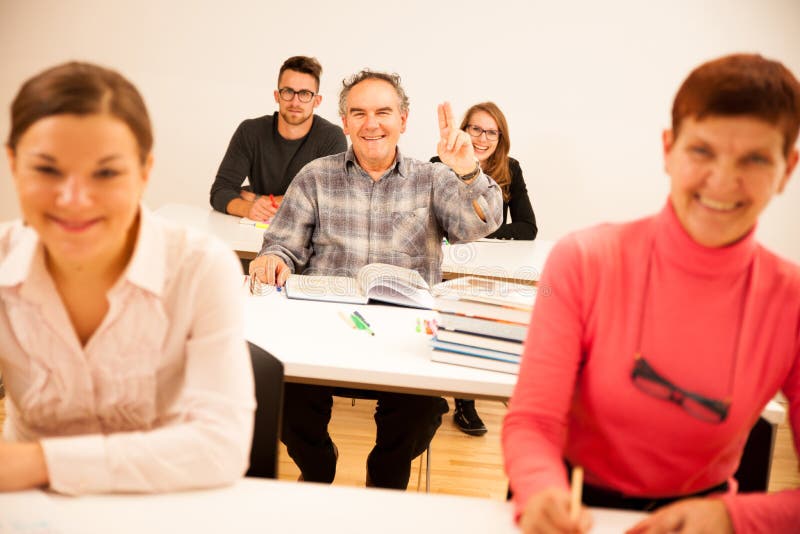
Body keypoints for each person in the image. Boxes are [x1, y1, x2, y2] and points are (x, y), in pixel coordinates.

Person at [502, 53, 800, 533]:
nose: (722, 181)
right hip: (571, 507)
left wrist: (735, 517)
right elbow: (533, 422)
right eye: (702, 151)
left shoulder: (791, 299)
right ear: (668, 149)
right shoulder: (584, 260)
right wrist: (541, 490)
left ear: (787, 169)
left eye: (755, 159)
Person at [0, 62, 256, 494]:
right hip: (30, 508)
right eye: (47, 170)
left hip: (161, 503)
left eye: (105, 173)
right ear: (13, 164)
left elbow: (220, 447)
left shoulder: (200, 268)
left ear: (144, 171)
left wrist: (40, 461)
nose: (74, 200)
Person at [249, 69, 503, 488]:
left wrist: (468, 171)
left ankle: (386, 474)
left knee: (421, 412)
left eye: (383, 112)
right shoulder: (315, 176)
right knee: (282, 396)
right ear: (344, 122)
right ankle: (318, 465)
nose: (371, 124)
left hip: (404, 341)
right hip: (323, 336)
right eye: (358, 113)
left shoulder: (434, 178)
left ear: (403, 120)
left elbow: (485, 222)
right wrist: (271, 259)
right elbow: (281, 246)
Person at [432, 101, 538, 437]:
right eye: (476, 128)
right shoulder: (439, 164)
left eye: (491, 132)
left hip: (484, 267)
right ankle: (432, 388)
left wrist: (475, 232)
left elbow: (527, 227)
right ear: (463, 129)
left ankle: (465, 398)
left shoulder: (511, 168)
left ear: (500, 138)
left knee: (475, 304)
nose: (482, 137)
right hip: (445, 264)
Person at [209, 56, 347, 221]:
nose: (295, 102)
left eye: (304, 94)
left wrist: (258, 199)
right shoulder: (250, 131)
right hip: (257, 229)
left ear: (317, 101)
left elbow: (329, 200)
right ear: (277, 96)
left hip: (307, 235)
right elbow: (220, 190)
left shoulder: (331, 137)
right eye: (288, 92)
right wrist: (248, 208)